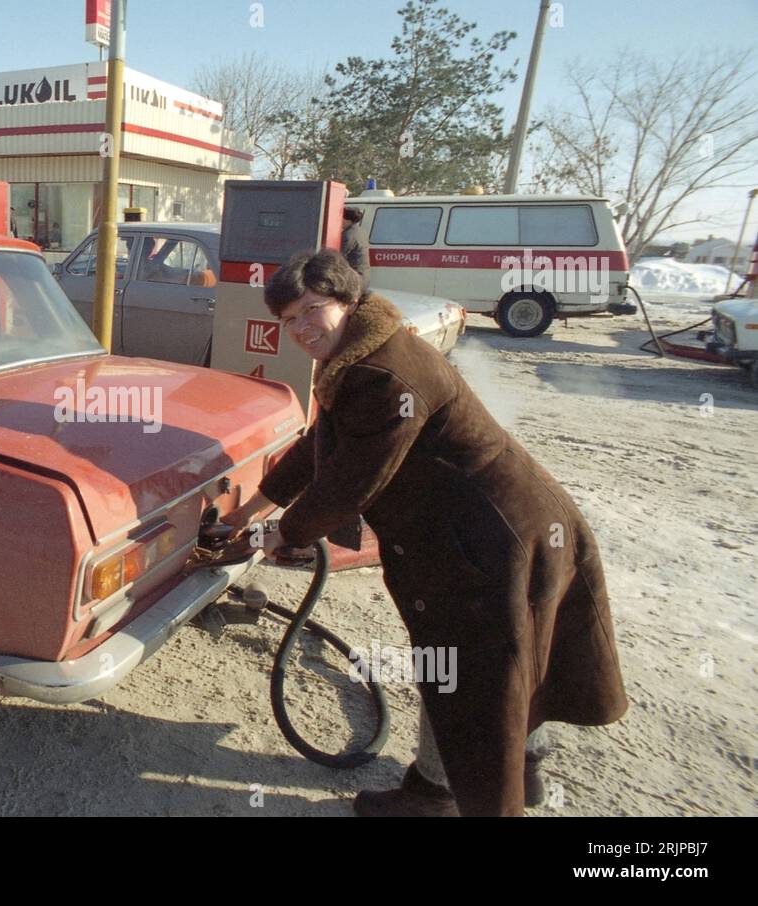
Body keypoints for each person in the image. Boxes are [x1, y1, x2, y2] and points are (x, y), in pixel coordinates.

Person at [222, 248, 628, 817]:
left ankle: (437, 796)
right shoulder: (367, 350)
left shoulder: (383, 374)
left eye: (312, 310)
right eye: (288, 319)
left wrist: (283, 533)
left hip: (490, 542)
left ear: (349, 300)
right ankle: (525, 770)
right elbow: (322, 445)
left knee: (465, 673)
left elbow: (351, 483)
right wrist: (254, 506)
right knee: (521, 652)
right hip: (523, 524)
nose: (300, 328)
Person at [341, 206, 369, 287]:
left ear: (346, 219)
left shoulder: (348, 235)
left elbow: (339, 256)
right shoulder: (361, 232)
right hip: (363, 276)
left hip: (353, 279)